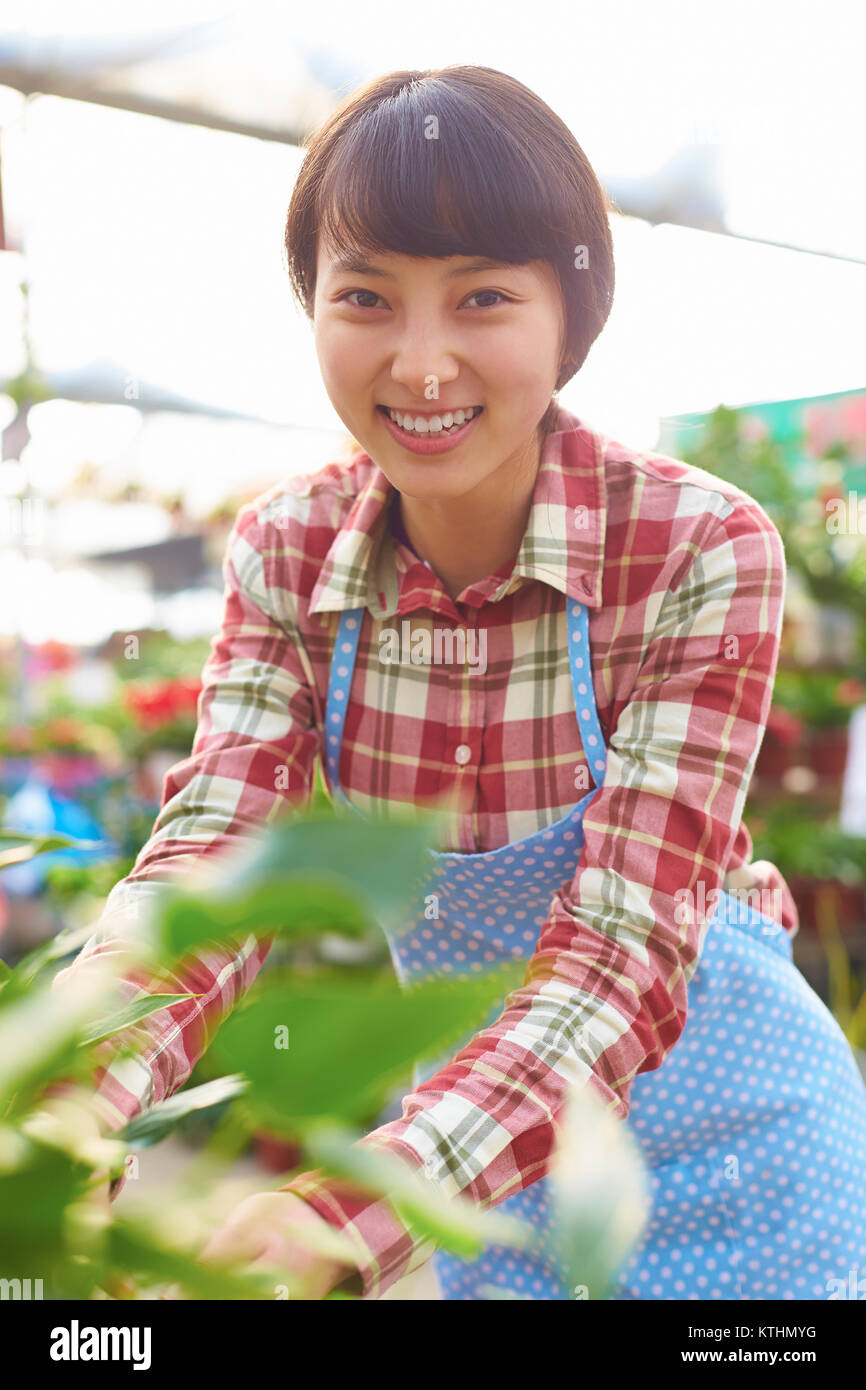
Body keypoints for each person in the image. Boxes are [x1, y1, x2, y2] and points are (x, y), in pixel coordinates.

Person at [51, 64, 866, 1301]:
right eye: (365, 297)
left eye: (481, 298)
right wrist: (71, 1094)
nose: (420, 364)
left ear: (568, 320)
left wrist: (346, 1211)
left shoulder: (694, 547)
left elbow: (619, 955)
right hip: (484, 1161)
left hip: (748, 1155)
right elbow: (214, 867)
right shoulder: (289, 552)